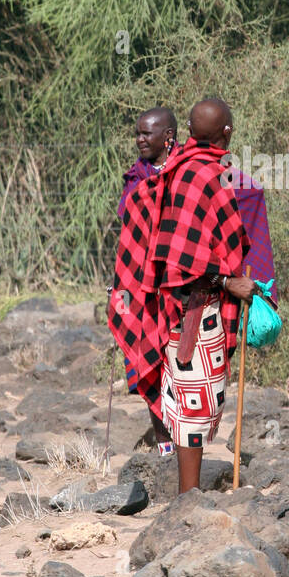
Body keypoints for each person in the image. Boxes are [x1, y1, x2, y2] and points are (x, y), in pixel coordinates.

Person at [108, 98, 256, 494]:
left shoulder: (173, 172)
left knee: (189, 402)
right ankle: (187, 501)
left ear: (187, 133)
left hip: (173, 306)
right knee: (193, 408)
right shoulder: (206, 176)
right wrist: (227, 282)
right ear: (227, 133)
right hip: (196, 307)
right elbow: (181, 256)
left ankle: (186, 496)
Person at [116, 107, 178, 408]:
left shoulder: (186, 171)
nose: (139, 139)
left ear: (168, 136)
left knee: (179, 366)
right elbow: (128, 226)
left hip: (180, 282)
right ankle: (164, 446)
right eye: (137, 134)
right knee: (145, 356)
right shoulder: (136, 176)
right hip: (140, 283)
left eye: (146, 133)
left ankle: (184, 443)